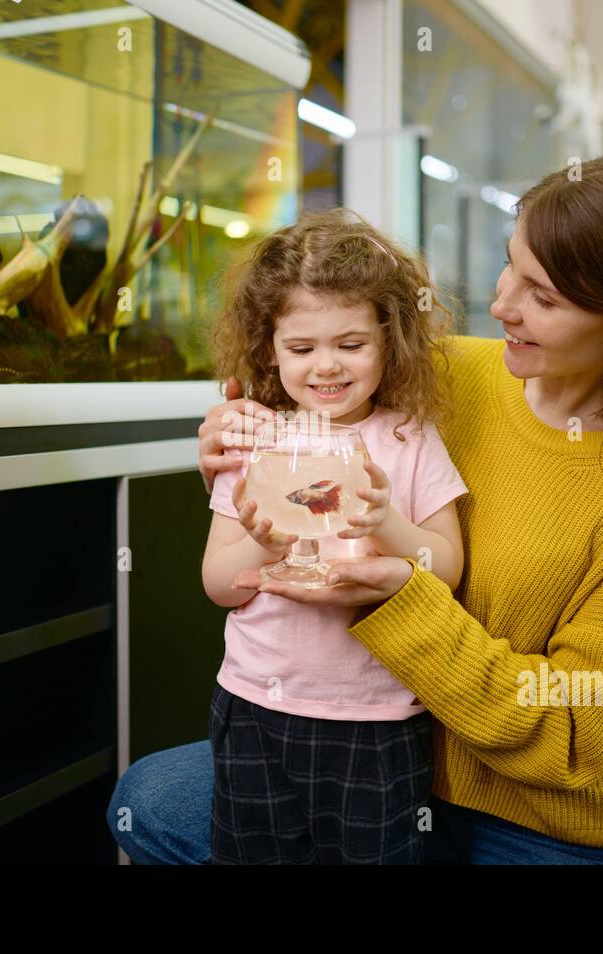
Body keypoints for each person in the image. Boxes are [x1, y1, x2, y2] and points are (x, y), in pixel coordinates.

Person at [108, 150, 603, 864]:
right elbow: (307, 383)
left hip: (536, 815)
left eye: (544, 296)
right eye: (512, 266)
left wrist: (398, 598)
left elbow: (575, 731)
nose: (504, 304)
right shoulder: (449, 370)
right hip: (392, 749)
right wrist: (230, 444)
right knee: (149, 799)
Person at [200, 210, 468, 863]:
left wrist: (388, 525)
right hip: (255, 709)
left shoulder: (409, 439)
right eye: (302, 348)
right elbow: (217, 586)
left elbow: (448, 567)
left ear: (389, 341)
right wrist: (265, 543)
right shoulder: (254, 439)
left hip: (377, 722)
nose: (327, 367)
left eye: (351, 344)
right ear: (270, 348)